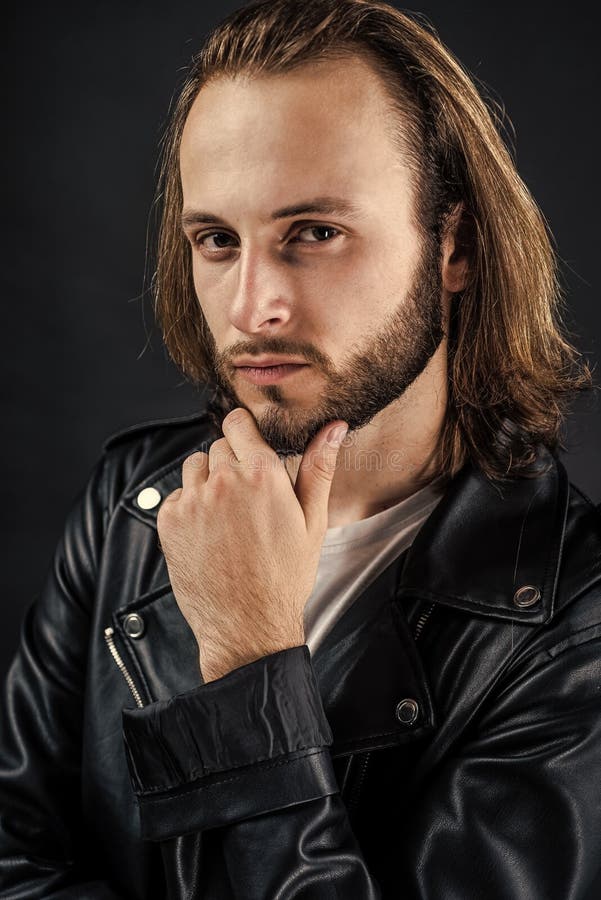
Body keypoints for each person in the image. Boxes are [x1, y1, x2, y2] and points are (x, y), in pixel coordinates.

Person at [1, 0, 600, 896]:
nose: (249, 311)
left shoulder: (575, 623)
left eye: (313, 234)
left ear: (457, 246)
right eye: (215, 240)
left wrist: (249, 656)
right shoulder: (134, 499)